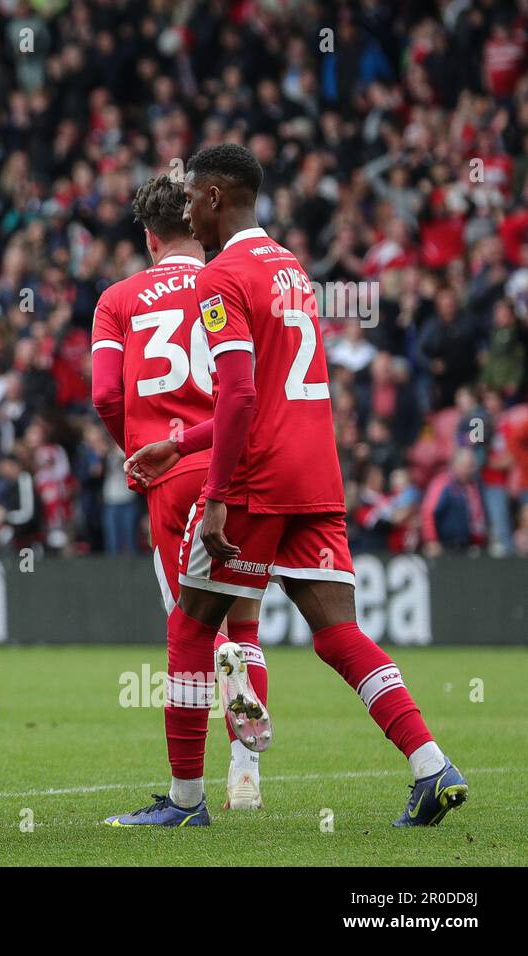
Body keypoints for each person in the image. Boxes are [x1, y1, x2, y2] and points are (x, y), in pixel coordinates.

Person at [118, 144, 467, 828]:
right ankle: (433, 767)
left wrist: (215, 491)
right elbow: (268, 391)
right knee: (338, 634)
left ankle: (185, 803)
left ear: (216, 197)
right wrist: (180, 442)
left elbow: (241, 394)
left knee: (191, 631)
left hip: (253, 482)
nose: (186, 210)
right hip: (316, 477)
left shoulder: (221, 277)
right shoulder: (291, 270)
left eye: (192, 199)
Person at [91, 173, 268, 810]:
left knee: (193, 626)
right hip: (236, 466)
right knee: (244, 618)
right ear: (196, 223)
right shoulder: (234, 280)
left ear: (148, 237)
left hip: (171, 473)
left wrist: (135, 452)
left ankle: (185, 794)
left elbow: (106, 394)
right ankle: (245, 775)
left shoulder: (119, 298)